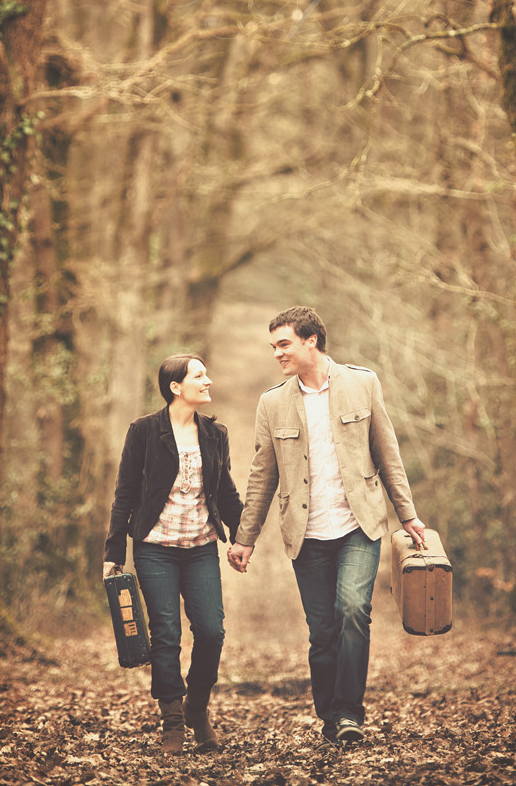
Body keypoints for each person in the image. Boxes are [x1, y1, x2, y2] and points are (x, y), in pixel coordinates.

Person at [227, 306, 425, 747]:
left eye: (284, 344)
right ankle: (330, 716)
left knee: (353, 611)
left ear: (311, 340)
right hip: (306, 532)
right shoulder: (272, 402)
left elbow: (387, 452)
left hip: (359, 524)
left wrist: (407, 513)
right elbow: (262, 475)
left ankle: (350, 713)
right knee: (322, 633)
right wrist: (245, 539)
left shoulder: (363, 383)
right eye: (273, 346)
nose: (277, 353)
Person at [103, 354, 243, 755]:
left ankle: (197, 707)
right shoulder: (144, 431)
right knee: (166, 634)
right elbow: (125, 493)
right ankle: (173, 721)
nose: (208, 380)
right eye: (199, 376)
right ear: (175, 387)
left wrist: (240, 537)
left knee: (212, 631)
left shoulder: (215, 435)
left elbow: (226, 493)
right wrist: (115, 550)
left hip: (200, 549)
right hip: (154, 550)